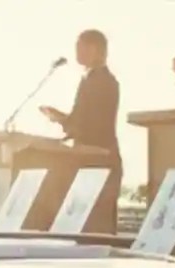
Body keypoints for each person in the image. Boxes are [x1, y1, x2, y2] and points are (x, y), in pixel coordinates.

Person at [40, 29, 121, 234]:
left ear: (94, 49)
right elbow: (81, 122)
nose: (76, 53)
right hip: (88, 161)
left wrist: (65, 121)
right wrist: (63, 120)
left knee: (98, 232)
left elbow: (93, 125)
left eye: (80, 47)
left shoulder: (104, 82)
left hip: (100, 161)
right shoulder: (90, 79)